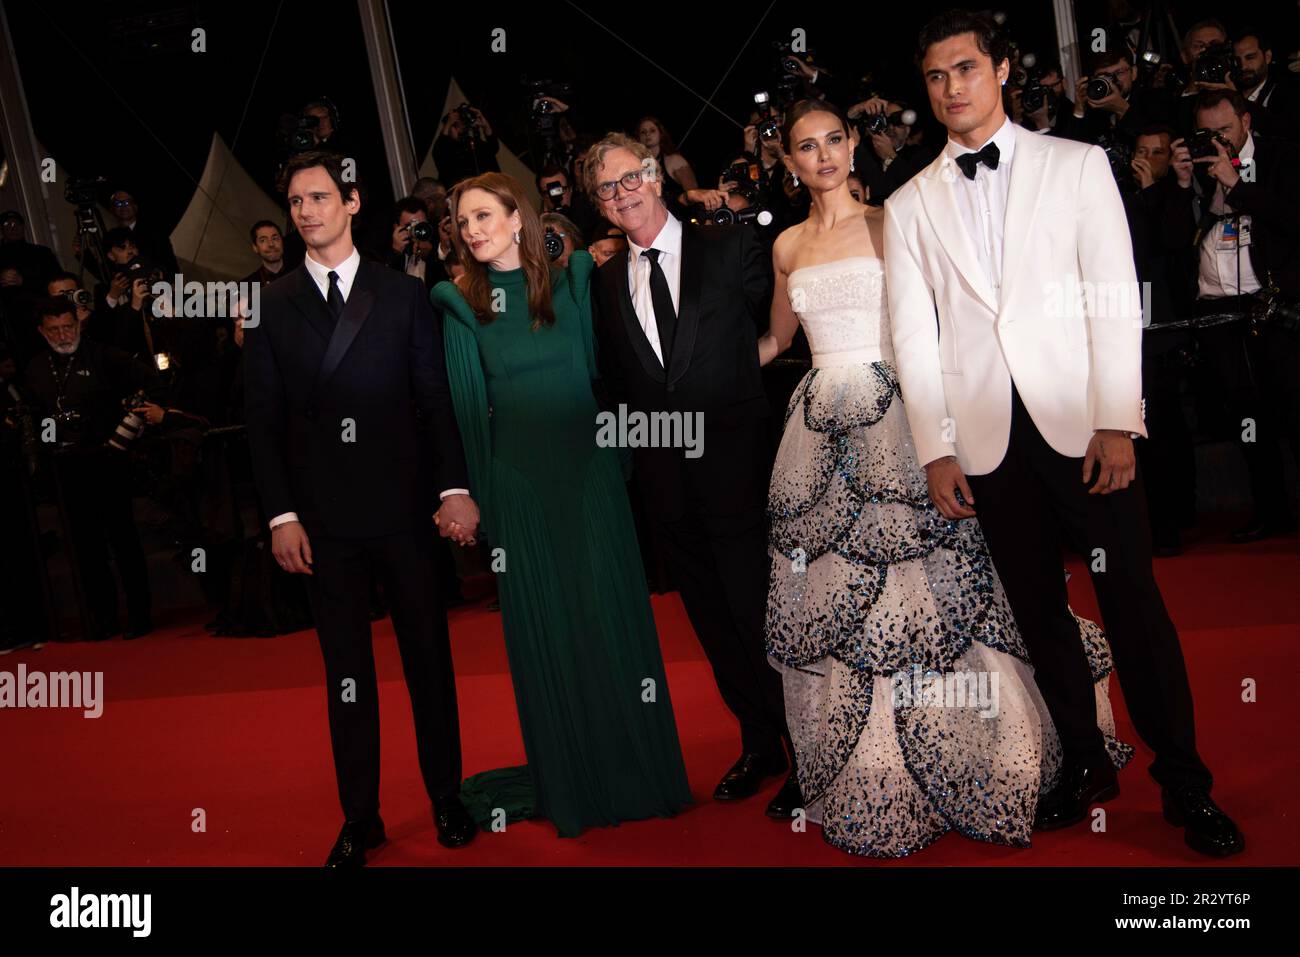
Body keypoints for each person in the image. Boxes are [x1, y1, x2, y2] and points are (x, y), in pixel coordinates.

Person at [884, 9, 1242, 857]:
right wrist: (936, 445)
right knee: (1040, 614)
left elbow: (1115, 294)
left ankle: (1186, 781)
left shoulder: (1079, 166)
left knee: (1134, 608)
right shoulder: (907, 204)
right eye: (936, 77)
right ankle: (1085, 762)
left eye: (965, 68)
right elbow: (914, 336)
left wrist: (1119, 420)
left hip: (1085, 432)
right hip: (986, 444)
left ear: (1002, 69)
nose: (952, 88)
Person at [757, 98, 1131, 857]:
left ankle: (976, 743)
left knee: (931, 588)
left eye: (835, 139)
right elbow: (776, 338)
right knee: (838, 598)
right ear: (788, 161)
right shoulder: (788, 246)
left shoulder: (893, 221)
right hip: (822, 433)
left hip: (904, 420)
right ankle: (862, 757)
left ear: (854, 144)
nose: (825, 155)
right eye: (806, 146)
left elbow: (928, 328)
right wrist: (689, 381)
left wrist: (943, 432)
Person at [429, 172, 691, 838]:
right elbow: (465, 408)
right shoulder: (458, 302)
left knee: (609, 618)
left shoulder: (575, 280)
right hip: (518, 485)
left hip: (592, 474)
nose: (474, 229)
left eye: (485, 215)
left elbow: (611, 374)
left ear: (519, 218)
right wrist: (478, 498)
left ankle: (638, 769)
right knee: (550, 628)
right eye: (464, 221)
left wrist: (626, 459)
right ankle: (572, 777)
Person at [242, 150, 481, 866]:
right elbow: (261, 421)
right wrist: (281, 515)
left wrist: (452, 488)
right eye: (295, 201)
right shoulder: (271, 304)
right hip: (322, 521)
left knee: (429, 660)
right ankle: (361, 815)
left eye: (319, 197)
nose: (306, 211)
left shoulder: (400, 293)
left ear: (351, 202)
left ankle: (447, 796)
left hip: (405, 507)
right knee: (344, 670)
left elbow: (435, 399)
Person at [585, 132, 800, 818]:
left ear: (655, 177)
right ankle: (759, 740)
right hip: (666, 484)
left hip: (738, 466)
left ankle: (805, 745)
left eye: (630, 179)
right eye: (607, 190)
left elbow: (781, 334)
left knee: (758, 608)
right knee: (710, 618)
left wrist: (738, 379)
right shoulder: (603, 280)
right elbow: (617, 384)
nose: (623, 195)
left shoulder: (730, 246)